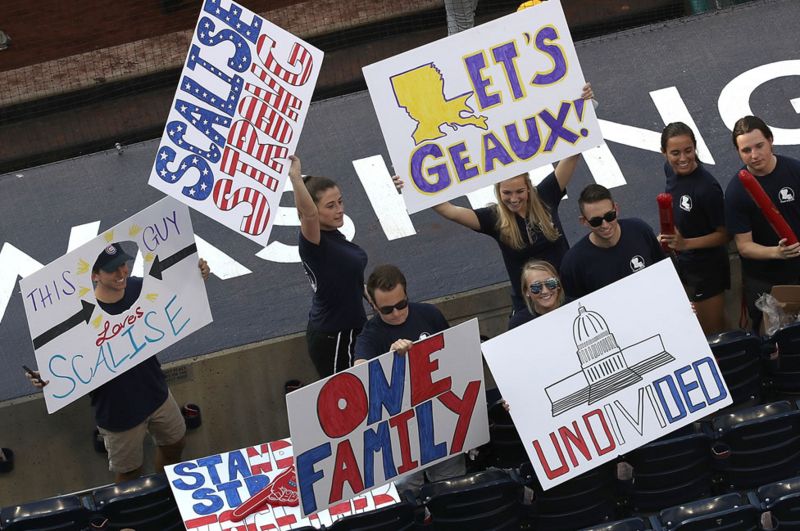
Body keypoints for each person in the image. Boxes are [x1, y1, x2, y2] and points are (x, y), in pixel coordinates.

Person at [406, 83, 594, 320]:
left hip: (565, 291)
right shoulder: (493, 218)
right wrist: (413, 184)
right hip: (528, 304)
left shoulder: (546, 195)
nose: (513, 199)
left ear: (529, 187)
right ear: (498, 192)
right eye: (506, 193)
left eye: (519, 192)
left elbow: (573, 153)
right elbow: (450, 210)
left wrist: (583, 103)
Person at [27, 243, 211, 482]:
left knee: (176, 443)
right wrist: (45, 379)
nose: (122, 272)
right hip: (117, 409)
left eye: (123, 264)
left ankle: (163, 491)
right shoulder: (80, 316)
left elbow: (176, 292)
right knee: (129, 472)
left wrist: (199, 274)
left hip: (155, 390)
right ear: (94, 276)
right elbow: (62, 360)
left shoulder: (138, 288)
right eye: (113, 269)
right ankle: (133, 514)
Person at [353, 264, 464, 496]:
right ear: (372, 306)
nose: (396, 313)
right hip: (399, 435)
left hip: (440, 422)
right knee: (406, 495)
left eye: (401, 304)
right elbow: (359, 376)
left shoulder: (429, 314)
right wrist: (388, 360)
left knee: (451, 490)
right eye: (386, 309)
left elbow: (455, 356)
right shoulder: (370, 335)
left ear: (407, 295)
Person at [290, 155, 368, 378]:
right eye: (331, 206)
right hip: (334, 336)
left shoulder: (334, 235)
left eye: (340, 202)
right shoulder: (314, 244)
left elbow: (343, 276)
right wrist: (296, 178)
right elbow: (308, 214)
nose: (339, 209)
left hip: (352, 329)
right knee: (348, 399)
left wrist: (367, 294)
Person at [724, 115, 800, 332]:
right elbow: (744, 246)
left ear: (771, 140)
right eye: (746, 150)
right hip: (766, 281)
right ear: (738, 152)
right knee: (773, 341)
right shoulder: (736, 192)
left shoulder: (795, 171)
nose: (754, 155)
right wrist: (777, 252)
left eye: (759, 146)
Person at [658, 122, 729, 334]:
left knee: (711, 335)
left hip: (707, 271)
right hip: (685, 266)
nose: (683, 159)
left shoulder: (707, 188)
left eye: (689, 151)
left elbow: (725, 234)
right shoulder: (670, 171)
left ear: (695, 147)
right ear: (664, 153)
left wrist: (685, 243)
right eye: (675, 153)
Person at [560, 184, 664, 298]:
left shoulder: (640, 230)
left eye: (610, 216)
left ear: (616, 209)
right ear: (584, 221)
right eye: (596, 221)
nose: (605, 225)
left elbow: (663, 270)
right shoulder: (573, 263)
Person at [508, 259, 566, 329]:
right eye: (536, 287)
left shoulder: (575, 307)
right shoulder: (519, 324)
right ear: (527, 291)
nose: (545, 291)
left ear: (558, 284)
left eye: (551, 283)